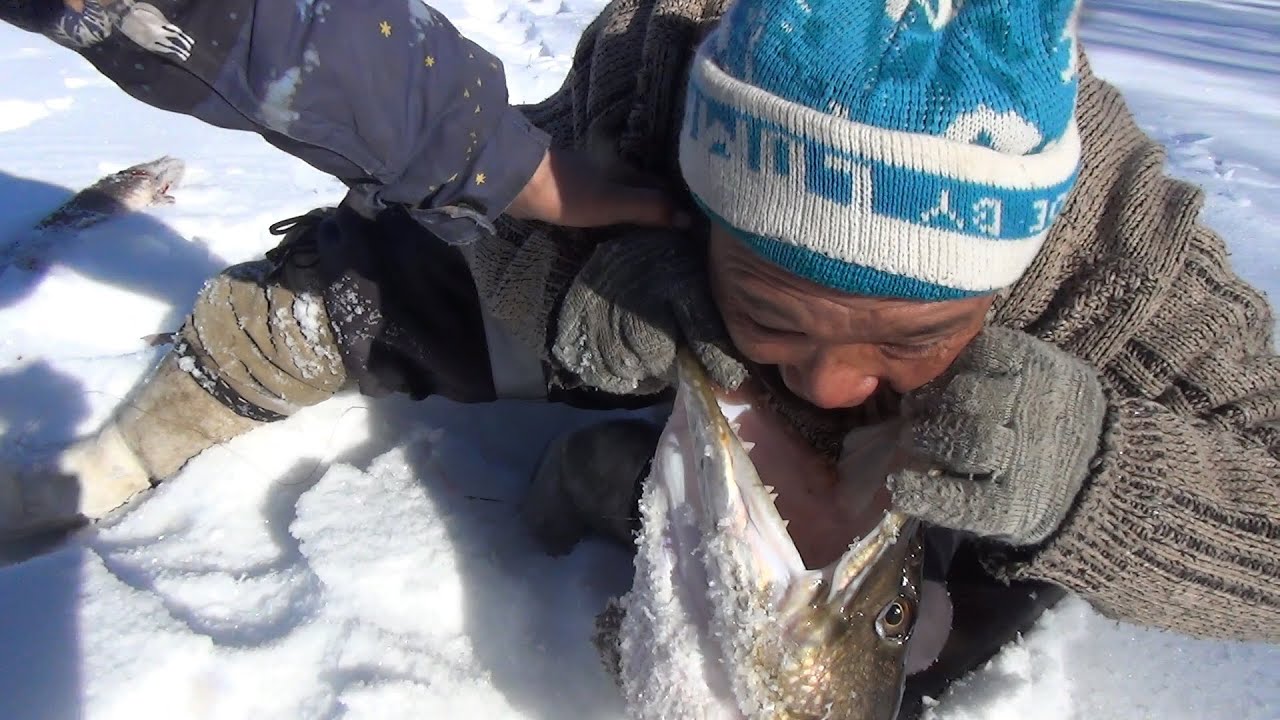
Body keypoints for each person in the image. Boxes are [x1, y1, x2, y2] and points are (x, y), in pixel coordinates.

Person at [2, 0, 1277, 707]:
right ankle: (155, 428)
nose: (829, 383)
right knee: (406, 284)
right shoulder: (657, 90)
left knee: (986, 572)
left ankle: (685, 496)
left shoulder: (1118, 262)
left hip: (943, 483)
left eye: (909, 334)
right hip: (661, 293)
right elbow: (455, 207)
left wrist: (1096, 480)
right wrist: (579, 289)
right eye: (780, 314)